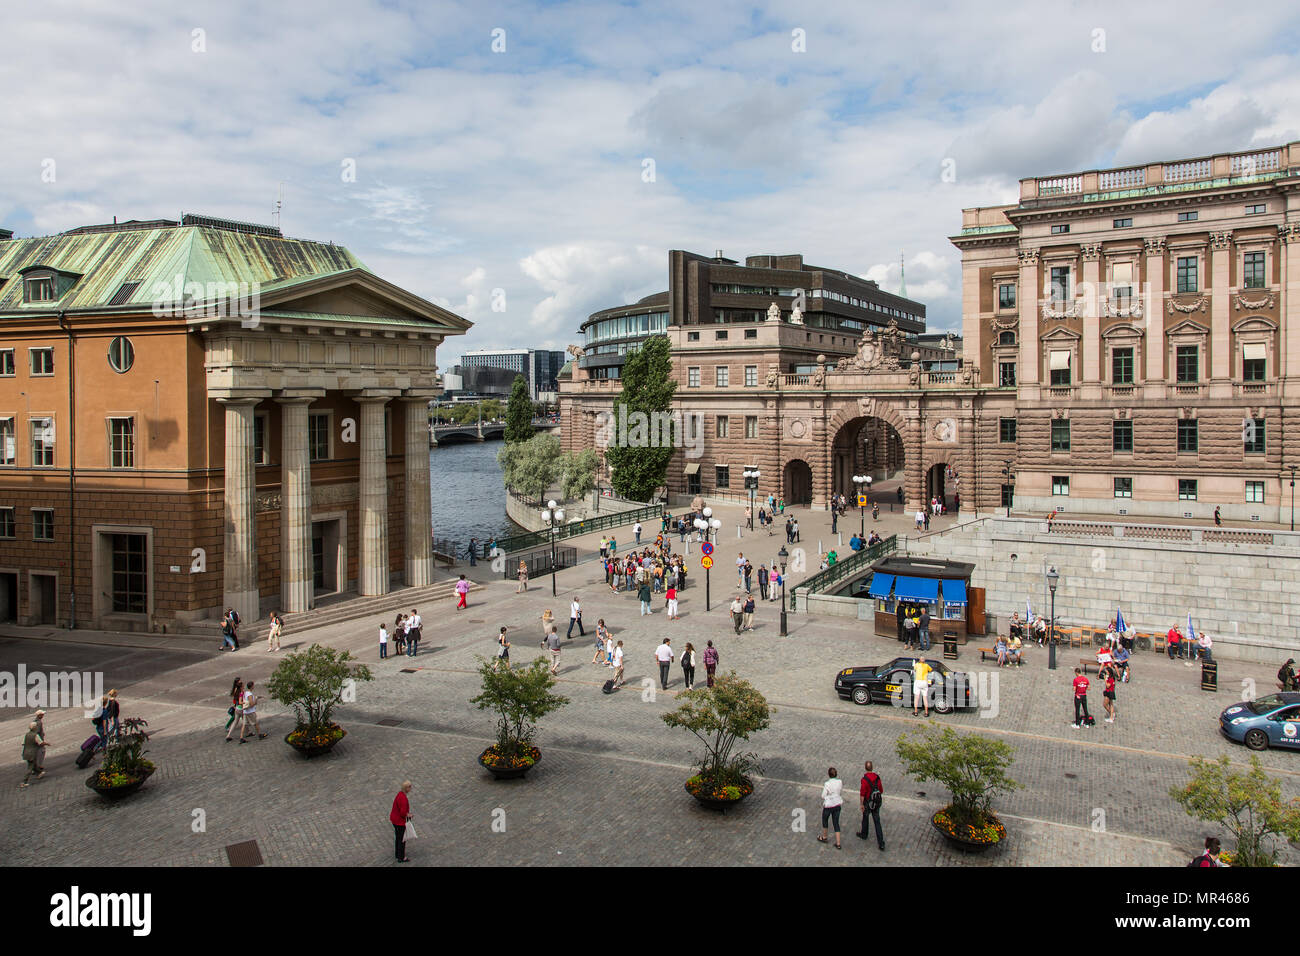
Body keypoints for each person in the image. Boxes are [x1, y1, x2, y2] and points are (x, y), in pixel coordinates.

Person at [857, 761, 885, 851]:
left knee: (865, 818)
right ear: (872, 767)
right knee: (877, 821)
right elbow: (881, 790)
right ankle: (881, 843)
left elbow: (862, 794)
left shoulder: (864, 780)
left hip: (868, 802)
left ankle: (864, 834)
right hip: (876, 802)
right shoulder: (877, 778)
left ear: (865, 768)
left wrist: (861, 804)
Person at [818, 767, 843, 849]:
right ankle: (838, 843)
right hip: (837, 804)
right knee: (836, 823)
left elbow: (823, 795)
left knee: (825, 820)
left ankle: (824, 837)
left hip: (829, 805)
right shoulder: (839, 782)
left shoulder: (827, 784)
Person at [391, 781, 413, 862]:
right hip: (399, 822)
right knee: (402, 839)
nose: (411, 788)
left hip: (394, 819)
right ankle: (401, 857)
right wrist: (409, 815)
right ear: (406, 788)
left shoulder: (399, 794)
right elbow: (403, 813)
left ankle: (397, 854)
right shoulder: (403, 798)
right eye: (410, 787)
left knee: (398, 838)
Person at [20, 722, 45, 788]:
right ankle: (24, 782)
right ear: (35, 728)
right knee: (30, 767)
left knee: (33, 764)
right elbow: (41, 743)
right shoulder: (35, 735)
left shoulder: (27, 735)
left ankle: (39, 773)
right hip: (32, 753)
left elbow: (23, 743)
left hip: (26, 753)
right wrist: (47, 743)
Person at [32, 710, 48, 776]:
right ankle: (38, 766)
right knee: (41, 752)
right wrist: (40, 740)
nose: (43, 715)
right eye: (42, 714)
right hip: (39, 740)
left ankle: (36, 767)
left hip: (37, 740)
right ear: (39, 715)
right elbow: (37, 732)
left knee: (38, 753)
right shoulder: (39, 722)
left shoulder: (35, 721)